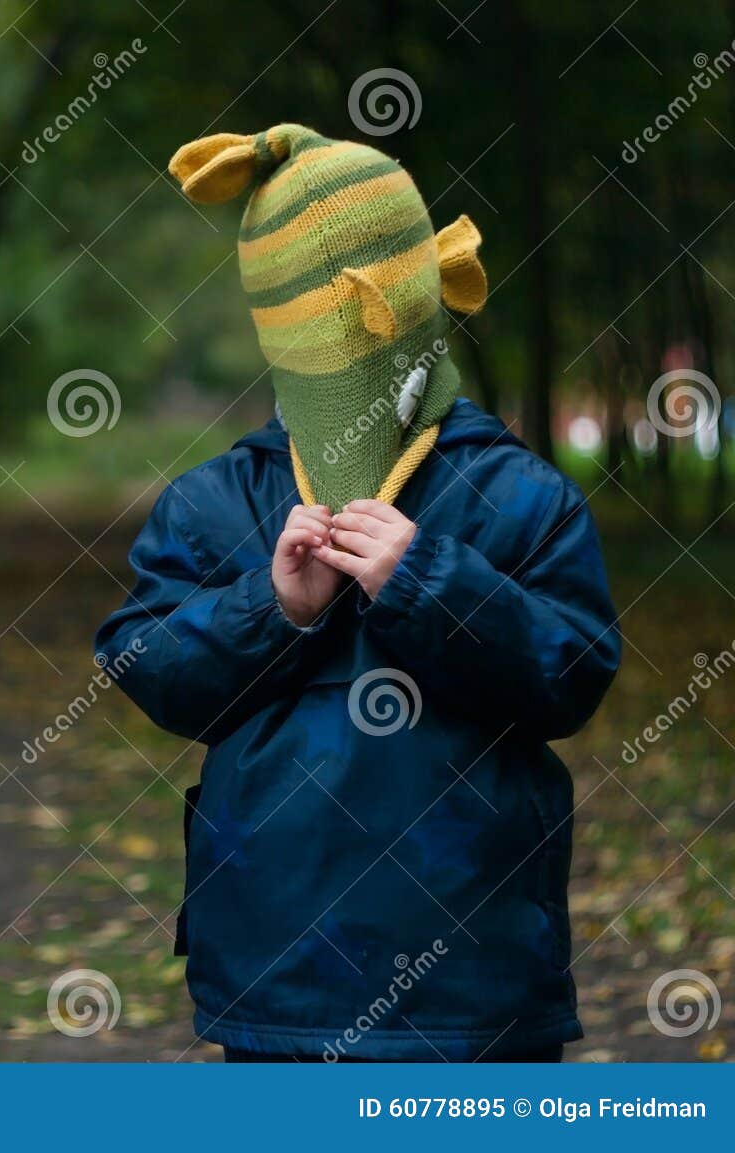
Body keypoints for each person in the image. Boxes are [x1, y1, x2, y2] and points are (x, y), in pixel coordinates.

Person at [96, 124, 620, 1062]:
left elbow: (572, 674)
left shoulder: (520, 496)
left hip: (477, 987)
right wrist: (274, 608)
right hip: (278, 978)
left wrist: (431, 584)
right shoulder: (219, 501)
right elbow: (146, 664)